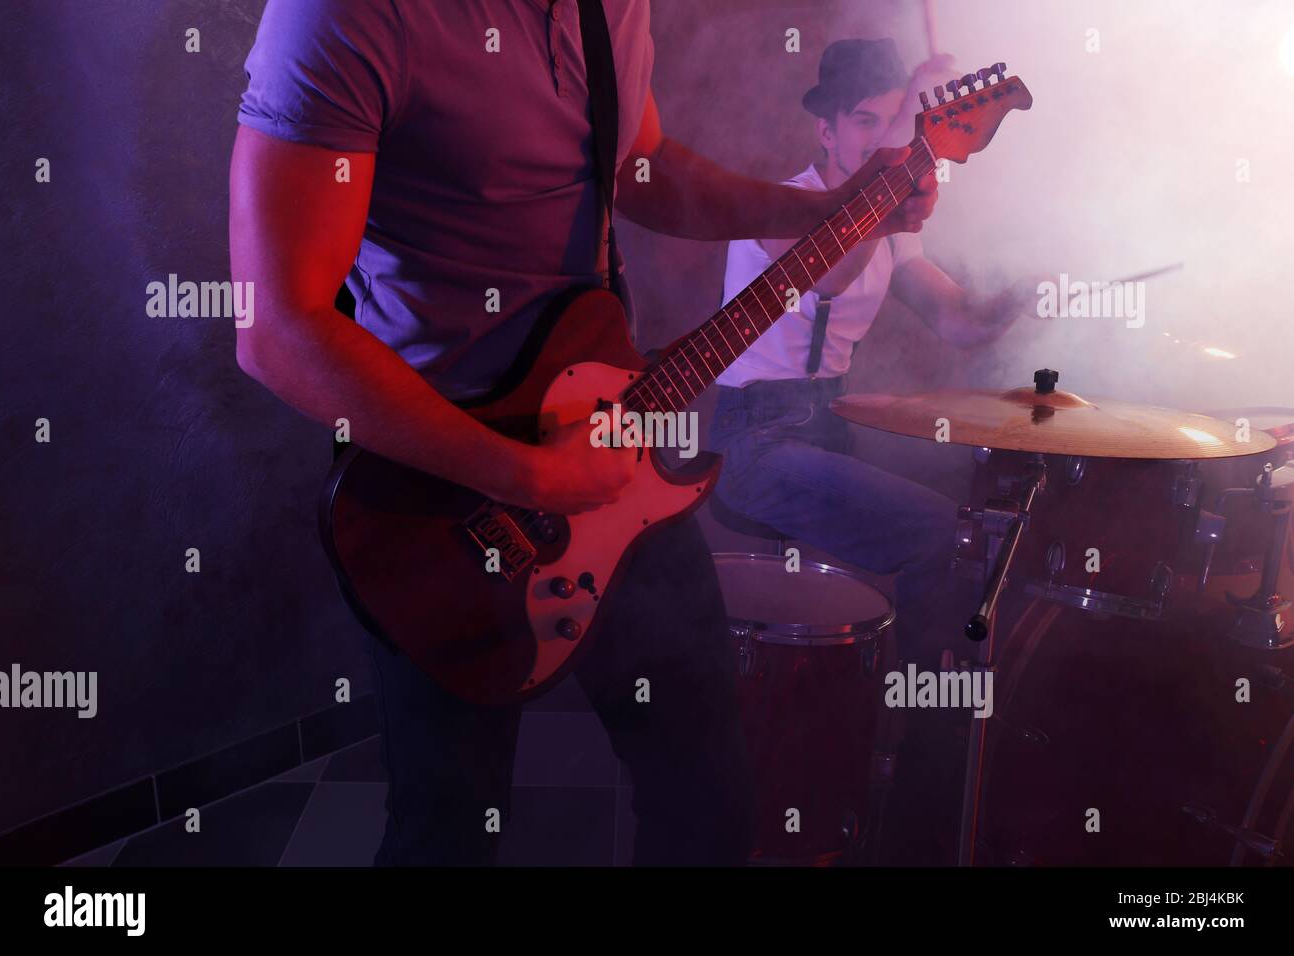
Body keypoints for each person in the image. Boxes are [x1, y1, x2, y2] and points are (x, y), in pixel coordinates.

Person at [229, 2, 939, 865]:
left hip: (613, 450)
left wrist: (827, 210)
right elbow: (277, 328)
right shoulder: (344, 14)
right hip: (437, 502)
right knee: (447, 830)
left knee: (708, 798)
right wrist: (527, 476)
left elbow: (640, 168)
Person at [705, 38, 1035, 863]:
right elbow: (824, 278)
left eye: (896, 122)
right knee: (937, 536)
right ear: (826, 131)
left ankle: (925, 749)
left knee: (979, 505)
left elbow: (958, 324)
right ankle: (918, 760)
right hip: (751, 440)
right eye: (866, 122)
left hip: (829, 423)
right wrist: (899, 183)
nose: (882, 139)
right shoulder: (780, 209)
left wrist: (1020, 294)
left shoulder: (894, 226)